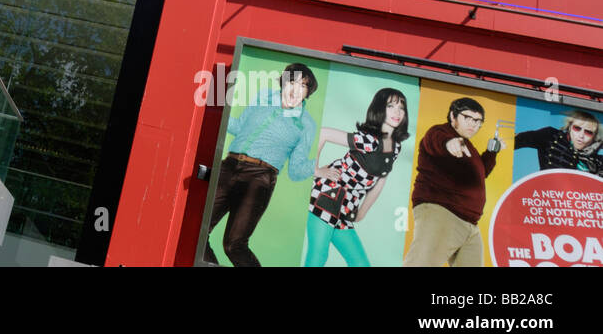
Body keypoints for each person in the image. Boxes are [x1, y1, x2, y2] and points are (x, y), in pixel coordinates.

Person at [204, 63, 319, 267]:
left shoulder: (306, 123)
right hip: (228, 167)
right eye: (292, 82)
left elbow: (296, 170)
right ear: (283, 83)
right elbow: (240, 126)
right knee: (199, 229)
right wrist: (216, 107)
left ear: (308, 92)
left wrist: (318, 166)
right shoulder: (263, 97)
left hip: (260, 177)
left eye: (303, 86)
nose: (295, 90)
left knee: (234, 245)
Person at [305, 88, 410, 267]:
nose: (397, 112)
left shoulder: (395, 146)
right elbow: (324, 133)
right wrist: (315, 169)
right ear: (379, 109)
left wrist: (363, 211)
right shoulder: (369, 140)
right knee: (318, 256)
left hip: (346, 207)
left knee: (360, 263)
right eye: (390, 106)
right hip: (327, 195)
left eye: (401, 107)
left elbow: (381, 181)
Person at [404, 97, 502, 267]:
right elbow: (437, 142)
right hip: (443, 212)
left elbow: (479, 174)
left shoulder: (468, 146)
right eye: (467, 118)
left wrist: (491, 152)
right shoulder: (440, 132)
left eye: (477, 121)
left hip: (470, 224)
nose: (473, 124)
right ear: (453, 116)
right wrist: (449, 143)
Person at [515, 109, 603, 174]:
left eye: (588, 132)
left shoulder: (598, 161)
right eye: (577, 128)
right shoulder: (550, 136)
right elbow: (514, 139)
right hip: (544, 194)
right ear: (569, 127)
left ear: (594, 136)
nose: (581, 135)